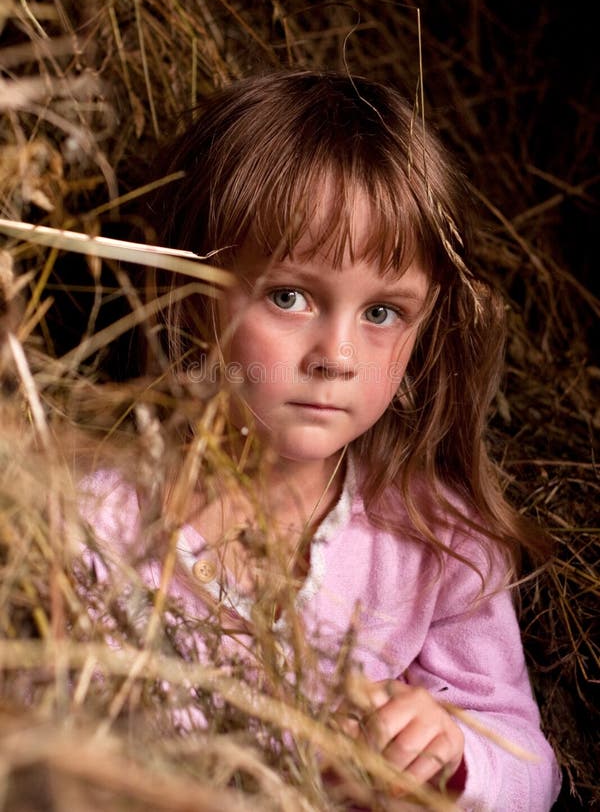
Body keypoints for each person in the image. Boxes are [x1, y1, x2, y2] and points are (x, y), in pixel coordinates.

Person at [81, 71, 561, 810]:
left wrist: (452, 756)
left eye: (382, 313)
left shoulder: (437, 542)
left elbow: (530, 765)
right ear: (188, 295)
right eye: (289, 296)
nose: (336, 355)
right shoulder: (100, 521)